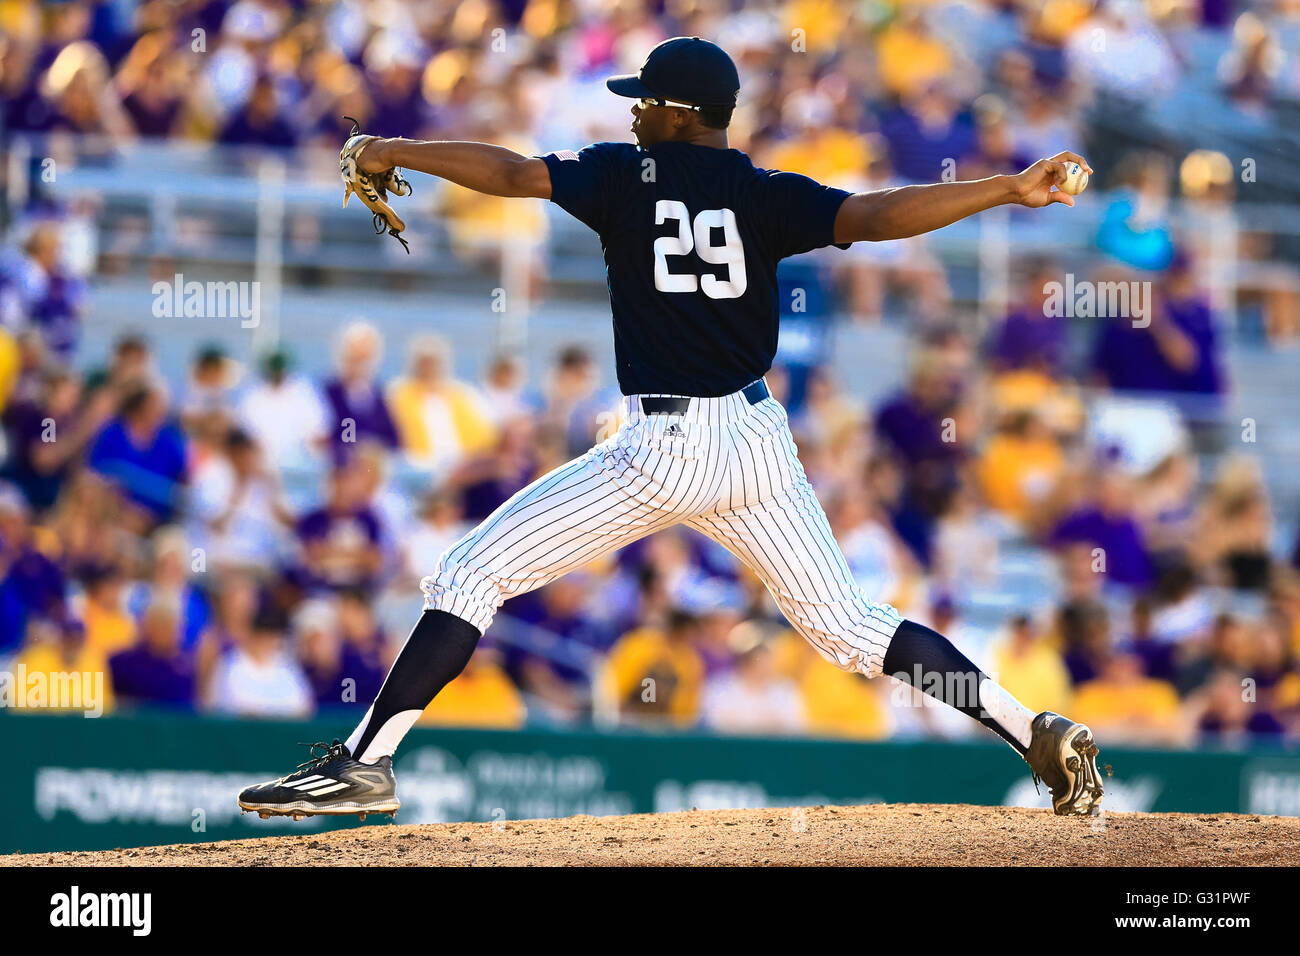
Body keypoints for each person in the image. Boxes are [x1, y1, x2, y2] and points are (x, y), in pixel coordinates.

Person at [240, 37, 1104, 821]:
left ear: (681, 114)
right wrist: (1004, 188)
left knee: (468, 573)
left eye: (645, 99)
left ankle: (364, 764)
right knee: (849, 627)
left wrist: (392, 148)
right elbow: (879, 215)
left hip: (665, 447)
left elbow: (511, 173)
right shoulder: (766, 193)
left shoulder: (624, 175)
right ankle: (1031, 730)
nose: (633, 108)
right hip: (757, 441)